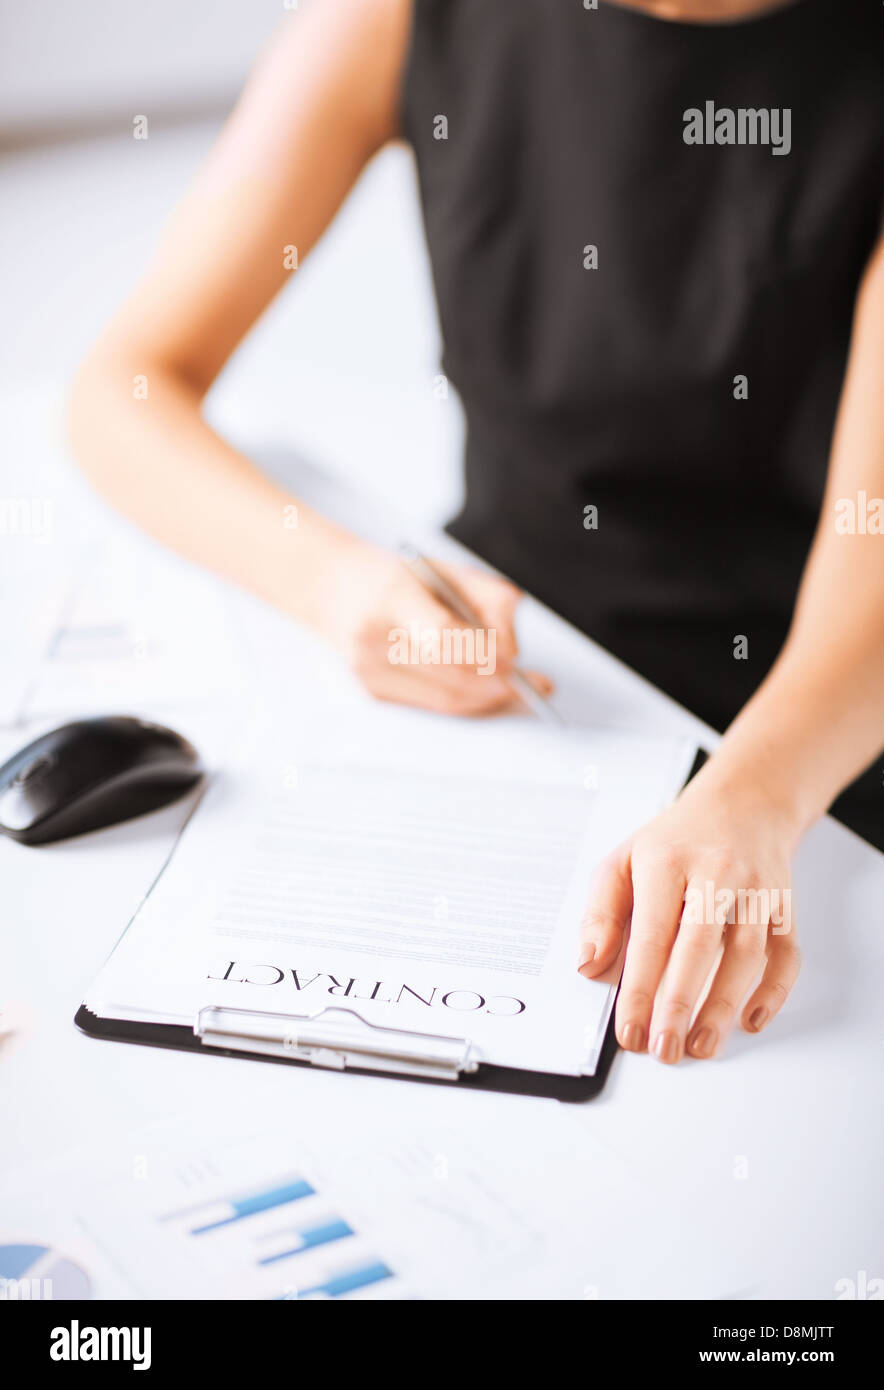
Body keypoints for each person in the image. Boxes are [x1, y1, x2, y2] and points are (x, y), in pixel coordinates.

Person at [68, 0, 884, 1065]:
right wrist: (340, 587)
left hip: (809, 736)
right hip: (504, 685)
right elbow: (124, 388)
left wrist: (754, 796)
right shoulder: (400, 15)